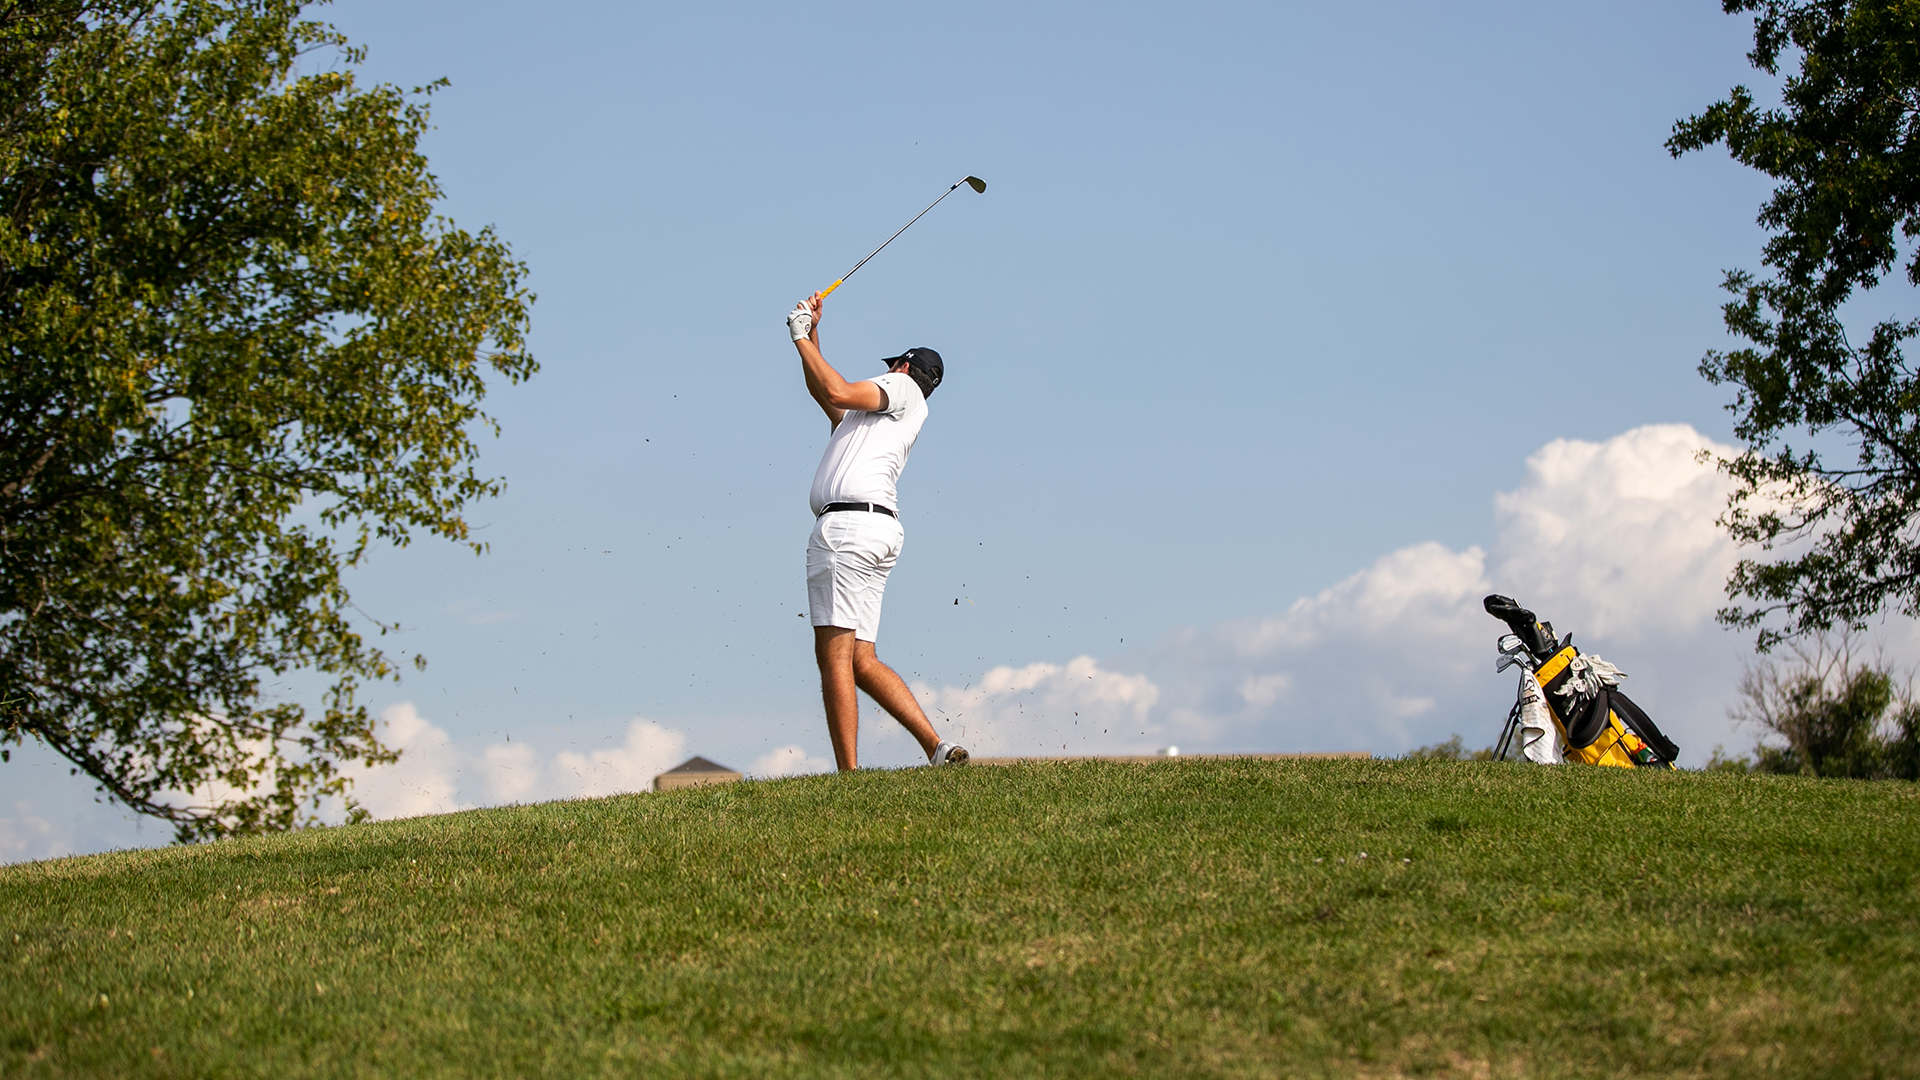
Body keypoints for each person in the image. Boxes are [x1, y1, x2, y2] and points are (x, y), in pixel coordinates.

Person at [786, 293, 968, 771]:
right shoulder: (875, 417)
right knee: (861, 660)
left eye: (893, 368)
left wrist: (800, 336)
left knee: (834, 658)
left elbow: (840, 390)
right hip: (875, 529)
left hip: (847, 529)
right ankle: (938, 748)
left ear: (905, 369)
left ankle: (848, 777)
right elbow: (828, 392)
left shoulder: (902, 391)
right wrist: (813, 335)